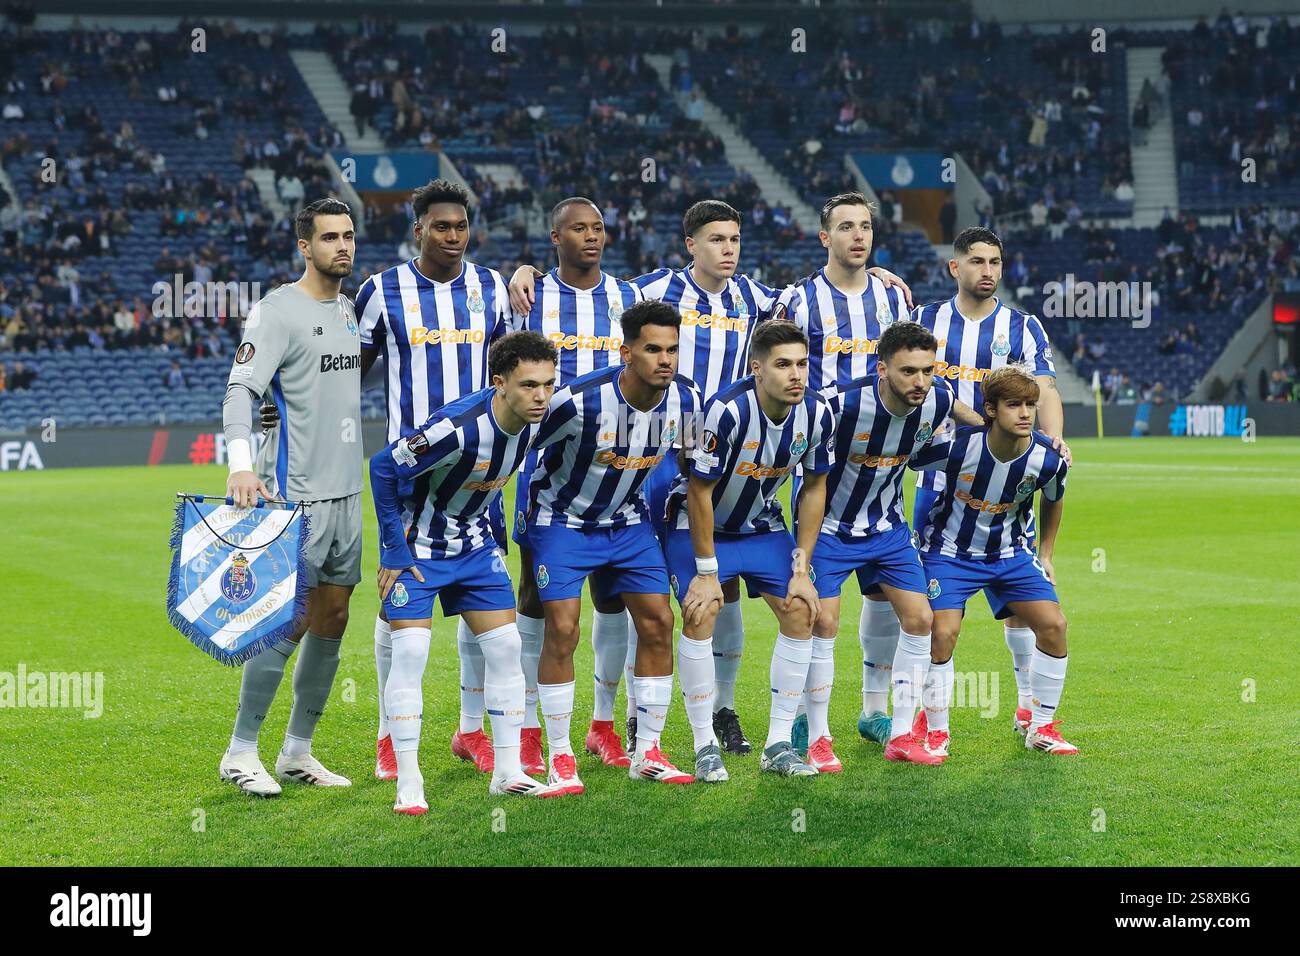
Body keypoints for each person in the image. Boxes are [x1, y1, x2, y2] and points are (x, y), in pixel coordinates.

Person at [507, 198, 913, 758]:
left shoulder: (757, 299)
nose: (727, 249)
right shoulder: (652, 291)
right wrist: (527, 271)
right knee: (617, 597)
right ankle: (610, 720)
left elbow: (817, 299)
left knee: (718, 597)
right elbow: (590, 282)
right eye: (716, 239)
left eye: (734, 239)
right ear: (690, 245)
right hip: (653, 452)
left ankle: (720, 711)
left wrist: (870, 274)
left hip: (734, 451)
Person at [352, 179, 515, 782]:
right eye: (440, 226)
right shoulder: (380, 292)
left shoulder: (491, 287)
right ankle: (388, 737)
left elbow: (510, 368)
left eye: (461, 226)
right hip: (412, 471)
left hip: (480, 477)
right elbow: (352, 372)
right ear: (416, 229)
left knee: (482, 599)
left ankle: (472, 730)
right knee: (400, 598)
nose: (453, 236)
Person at [368, 331, 560, 813]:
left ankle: (508, 770)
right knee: (411, 654)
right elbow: (382, 468)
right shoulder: (456, 428)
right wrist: (394, 549)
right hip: (419, 548)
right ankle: (408, 780)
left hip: (475, 547)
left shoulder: (540, 420)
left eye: (548, 384)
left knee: (509, 647)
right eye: (529, 385)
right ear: (499, 384)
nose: (540, 396)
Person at [218, 197, 362, 797]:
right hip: (297, 499)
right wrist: (242, 466)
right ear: (305, 245)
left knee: (333, 618)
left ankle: (298, 750)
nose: (343, 247)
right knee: (286, 622)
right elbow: (239, 391)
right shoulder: (276, 311)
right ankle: (240, 750)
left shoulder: (350, 309)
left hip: (348, 494)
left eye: (349, 236)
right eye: (329, 238)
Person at [529, 301, 701, 793]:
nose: (665, 359)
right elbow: (522, 448)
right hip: (562, 522)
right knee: (562, 630)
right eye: (652, 349)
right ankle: (560, 757)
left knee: (659, 621)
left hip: (628, 524)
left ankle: (646, 750)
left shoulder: (684, 402)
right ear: (625, 352)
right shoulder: (577, 401)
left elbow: (691, 464)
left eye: (672, 349)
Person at [912, 226, 1071, 734]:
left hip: (1005, 482)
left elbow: (1044, 388)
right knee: (920, 611)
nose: (988, 271)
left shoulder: (1023, 327)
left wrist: (1053, 441)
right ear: (955, 267)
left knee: (1021, 604)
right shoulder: (925, 320)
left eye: (996, 262)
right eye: (977, 261)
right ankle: (912, 709)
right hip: (940, 479)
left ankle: (1029, 705)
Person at [663, 320, 835, 781]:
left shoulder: (818, 413)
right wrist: (705, 571)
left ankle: (777, 744)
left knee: (802, 609)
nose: (796, 374)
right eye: (783, 365)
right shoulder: (720, 411)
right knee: (703, 611)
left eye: (802, 364)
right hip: (697, 525)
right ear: (757, 369)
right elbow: (697, 491)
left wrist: (802, 567)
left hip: (759, 526)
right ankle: (704, 744)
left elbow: (815, 487)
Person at [507, 197, 643, 774]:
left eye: (598, 228)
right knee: (537, 600)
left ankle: (603, 725)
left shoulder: (628, 299)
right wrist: (522, 271)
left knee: (615, 600)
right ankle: (530, 726)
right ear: (554, 236)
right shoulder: (528, 299)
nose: (591, 237)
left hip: (618, 476)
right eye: (578, 229)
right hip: (546, 477)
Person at [807, 321, 957, 768]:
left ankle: (901, 733)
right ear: (881, 368)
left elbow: (956, 416)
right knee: (824, 624)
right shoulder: (839, 405)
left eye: (928, 371)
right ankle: (816, 735)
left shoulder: (938, 398)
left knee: (920, 619)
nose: (920, 382)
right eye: (909, 371)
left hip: (888, 531)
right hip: (831, 530)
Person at [909, 364, 1077, 757]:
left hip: (1011, 555)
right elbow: (909, 458)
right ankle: (936, 729)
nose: (1025, 413)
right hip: (949, 553)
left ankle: (1041, 727)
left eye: (1030, 405)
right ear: (990, 409)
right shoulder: (957, 446)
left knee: (1054, 626)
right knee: (943, 633)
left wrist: (1046, 553)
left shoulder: (1047, 459)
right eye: (1014, 405)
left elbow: (1054, 499)